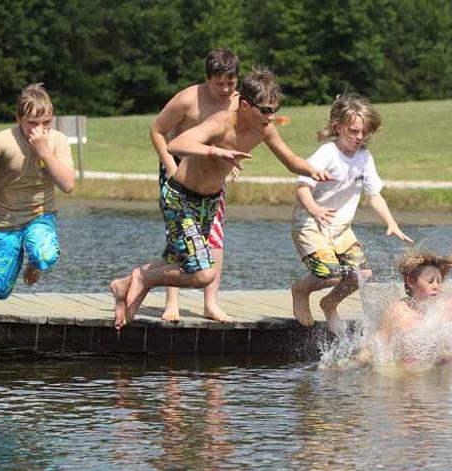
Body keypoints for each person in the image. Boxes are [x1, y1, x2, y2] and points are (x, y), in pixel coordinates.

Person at [110, 67, 332, 328]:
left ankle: (123, 285)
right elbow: (176, 145)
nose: (271, 117)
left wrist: (313, 170)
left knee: (177, 260)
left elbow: (291, 160)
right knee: (204, 274)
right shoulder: (220, 122)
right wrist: (216, 152)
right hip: (180, 198)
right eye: (266, 110)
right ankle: (143, 278)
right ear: (246, 105)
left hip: (208, 202)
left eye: (275, 109)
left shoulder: (264, 129)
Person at [290, 93, 413, 331]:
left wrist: (391, 222)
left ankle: (329, 303)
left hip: (340, 229)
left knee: (363, 273)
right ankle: (300, 290)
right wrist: (315, 210)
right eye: (353, 131)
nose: (359, 137)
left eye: (363, 132)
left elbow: (374, 195)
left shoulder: (364, 158)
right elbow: (302, 187)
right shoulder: (327, 154)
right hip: (310, 224)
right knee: (331, 274)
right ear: (338, 127)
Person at [0, 83, 75, 299]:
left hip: (39, 216)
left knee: (45, 255)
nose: (40, 129)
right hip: (4, 222)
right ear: (18, 118)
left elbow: (68, 185)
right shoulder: (4, 140)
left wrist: (44, 151)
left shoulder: (57, 141)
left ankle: (35, 263)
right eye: (32, 123)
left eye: (46, 123)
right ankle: (14, 256)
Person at [150, 48, 240, 323]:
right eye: (219, 82)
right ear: (207, 78)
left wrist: (234, 162)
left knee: (214, 237)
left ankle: (210, 303)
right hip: (178, 170)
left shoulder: (239, 102)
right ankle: (171, 301)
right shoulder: (188, 99)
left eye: (231, 82)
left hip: (214, 176)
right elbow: (157, 130)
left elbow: (240, 136)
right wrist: (170, 166)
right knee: (179, 239)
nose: (225, 89)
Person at [357, 249, 452, 369]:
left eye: (439, 281)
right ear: (410, 281)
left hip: (444, 371)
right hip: (409, 373)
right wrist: (356, 363)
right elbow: (377, 343)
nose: (436, 286)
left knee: (447, 356)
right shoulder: (397, 311)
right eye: (430, 281)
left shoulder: (449, 305)